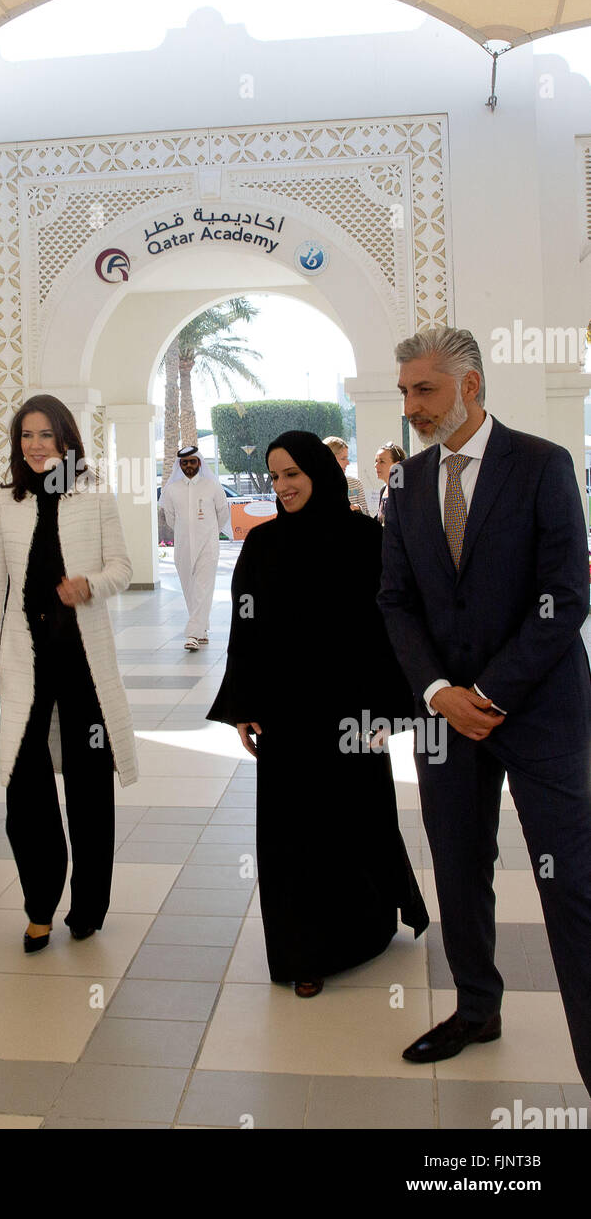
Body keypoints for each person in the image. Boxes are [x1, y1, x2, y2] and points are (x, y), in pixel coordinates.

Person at [378, 326, 591, 1087]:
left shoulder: (541, 465)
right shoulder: (403, 486)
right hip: (446, 719)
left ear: (469, 386)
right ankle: (476, 1008)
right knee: (459, 868)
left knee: (570, 883)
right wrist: (440, 694)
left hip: (541, 712)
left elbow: (566, 596)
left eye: (423, 389)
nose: (411, 406)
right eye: (404, 391)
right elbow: (395, 602)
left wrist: (490, 694)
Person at [208, 430, 428, 997]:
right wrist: (243, 706)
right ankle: (302, 950)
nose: (282, 487)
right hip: (287, 716)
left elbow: (388, 629)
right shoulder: (263, 545)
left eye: (292, 475)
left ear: (318, 474)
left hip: (349, 712)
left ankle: (367, 927)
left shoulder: (363, 539)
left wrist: (386, 713)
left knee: (355, 818)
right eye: (275, 477)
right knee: (293, 831)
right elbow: (245, 630)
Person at [0, 394, 138, 951]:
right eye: (27, 436)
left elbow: (123, 565)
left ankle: (88, 904)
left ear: (66, 439)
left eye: (46, 435)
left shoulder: (93, 493)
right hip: (26, 657)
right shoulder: (5, 501)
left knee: (90, 787)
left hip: (82, 661)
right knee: (24, 784)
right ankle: (39, 904)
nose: (36, 446)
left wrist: (89, 584)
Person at [160, 446, 230, 651]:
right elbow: (171, 519)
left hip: (208, 545)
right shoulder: (171, 490)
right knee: (190, 588)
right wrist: (187, 531)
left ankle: (192, 634)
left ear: (199, 462)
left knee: (203, 586)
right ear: (179, 465)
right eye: (184, 462)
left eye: (192, 461)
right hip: (183, 546)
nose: (188, 466)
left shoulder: (212, 485)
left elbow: (223, 513)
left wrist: (209, 531)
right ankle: (202, 629)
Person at [323, 436, 369, 514]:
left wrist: (358, 509)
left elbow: (368, 516)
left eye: (347, 458)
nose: (348, 463)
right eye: (343, 459)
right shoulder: (311, 487)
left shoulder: (356, 484)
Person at [373, 441, 407, 525]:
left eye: (382, 462)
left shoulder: (405, 491)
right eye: (376, 461)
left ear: (397, 465)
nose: (376, 466)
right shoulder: (383, 490)